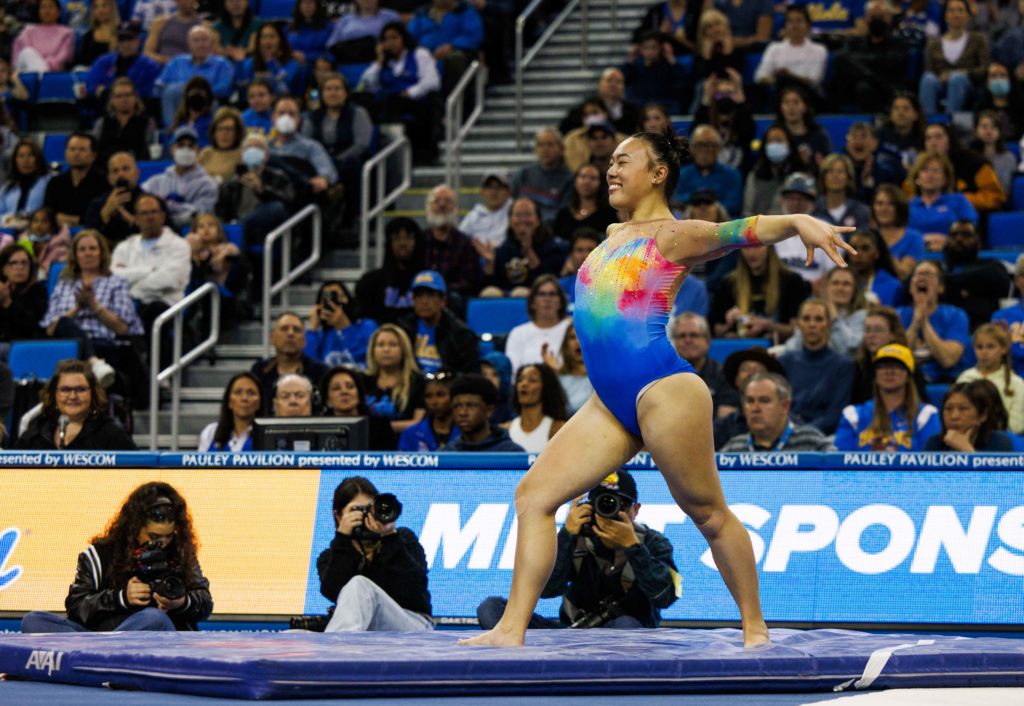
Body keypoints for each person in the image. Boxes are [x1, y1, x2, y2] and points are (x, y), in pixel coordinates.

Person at [459, 127, 855, 649]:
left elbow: (744, 229)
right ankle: (511, 628)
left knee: (709, 513)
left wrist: (799, 221)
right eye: (610, 163)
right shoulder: (610, 235)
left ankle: (756, 628)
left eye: (625, 161)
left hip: (663, 390)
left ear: (659, 173)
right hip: (610, 403)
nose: (612, 170)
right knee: (533, 496)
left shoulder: (671, 236)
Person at [478, 469, 679, 629]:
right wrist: (566, 535)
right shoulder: (575, 537)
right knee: (491, 608)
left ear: (636, 510)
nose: (611, 511)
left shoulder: (654, 542)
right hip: (572, 636)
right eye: (603, 503)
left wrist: (633, 547)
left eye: (622, 505)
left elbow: (667, 597)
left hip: (630, 639)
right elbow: (546, 590)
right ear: (589, 506)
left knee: (625, 627)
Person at [20, 482, 211, 632]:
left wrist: (181, 602)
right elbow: (76, 607)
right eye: (153, 537)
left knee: (155, 619)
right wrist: (120, 597)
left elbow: (205, 602)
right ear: (135, 528)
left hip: (154, 638)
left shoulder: (181, 552)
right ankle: (105, 658)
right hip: (102, 636)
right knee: (34, 621)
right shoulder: (100, 553)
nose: (162, 543)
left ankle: (92, 661)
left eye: (168, 536)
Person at [316, 476, 432, 632]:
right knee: (295, 634)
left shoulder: (404, 539)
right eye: (356, 510)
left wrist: (390, 538)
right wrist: (342, 539)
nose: (364, 517)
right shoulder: (332, 555)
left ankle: (336, 650)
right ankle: (341, 647)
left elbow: (414, 591)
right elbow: (333, 592)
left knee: (359, 584)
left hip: (411, 626)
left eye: (369, 510)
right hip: (363, 632)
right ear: (338, 515)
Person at [40, 230, 144, 393]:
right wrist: (78, 308)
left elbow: (123, 328)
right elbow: (50, 328)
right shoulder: (64, 284)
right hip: (67, 346)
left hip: (103, 344)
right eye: (82, 249)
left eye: (92, 248)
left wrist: (94, 306)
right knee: (64, 323)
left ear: (101, 253)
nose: (87, 253)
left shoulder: (115, 283)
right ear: (75, 255)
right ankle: (95, 363)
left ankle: (93, 362)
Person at [110, 193, 191, 345]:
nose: (149, 217)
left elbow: (169, 280)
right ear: (135, 218)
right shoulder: (124, 247)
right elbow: (114, 278)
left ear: (163, 216)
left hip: (167, 306)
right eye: (144, 213)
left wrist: (134, 289)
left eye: (154, 212)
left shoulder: (179, 245)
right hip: (127, 307)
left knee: (154, 309)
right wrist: (149, 270)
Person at [356, 21, 441, 164]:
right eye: (386, 39)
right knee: (364, 100)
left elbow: (432, 81)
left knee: (395, 103)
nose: (391, 42)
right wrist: (379, 61)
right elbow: (367, 83)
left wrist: (409, 92)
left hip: (416, 102)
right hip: (390, 102)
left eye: (394, 38)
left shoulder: (419, 54)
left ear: (403, 38)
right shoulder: (384, 63)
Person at [834, 343, 940, 451]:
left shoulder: (926, 415)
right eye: (882, 366)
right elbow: (839, 461)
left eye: (897, 366)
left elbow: (931, 460)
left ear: (908, 374)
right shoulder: (854, 415)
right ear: (875, 374)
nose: (889, 372)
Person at [15, 359, 135, 450]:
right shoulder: (36, 432)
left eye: (80, 389)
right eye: (65, 390)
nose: (72, 396)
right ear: (54, 394)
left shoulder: (111, 434)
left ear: (93, 393)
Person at [777, 298, 854, 434]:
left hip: (825, 438)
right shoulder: (785, 362)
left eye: (818, 319)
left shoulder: (844, 366)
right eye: (806, 319)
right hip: (787, 434)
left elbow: (835, 414)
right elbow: (779, 407)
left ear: (829, 325)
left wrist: (804, 433)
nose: (812, 324)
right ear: (799, 324)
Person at [709, 243, 809, 341]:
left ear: (769, 247)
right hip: (741, 350)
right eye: (746, 248)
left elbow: (797, 329)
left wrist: (766, 325)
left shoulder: (791, 281)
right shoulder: (729, 283)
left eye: (757, 247)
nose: (752, 253)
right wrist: (729, 324)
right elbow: (717, 331)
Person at [719, 372, 835, 452]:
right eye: (750, 401)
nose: (755, 408)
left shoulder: (811, 442)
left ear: (785, 406)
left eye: (764, 401)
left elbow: (841, 478)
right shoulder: (734, 448)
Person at [215, 131, 293, 247]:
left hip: (265, 230)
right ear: (242, 154)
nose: (253, 150)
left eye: (258, 147)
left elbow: (288, 201)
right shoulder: (231, 183)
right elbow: (221, 212)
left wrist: (262, 189)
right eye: (248, 148)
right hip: (237, 225)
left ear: (266, 155)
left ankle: (240, 229)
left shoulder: (278, 176)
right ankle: (238, 231)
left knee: (277, 207)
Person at [828, 0, 907, 113]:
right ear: (865, 19)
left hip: (886, 89)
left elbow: (891, 64)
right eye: (873, 17)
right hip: (854, 89)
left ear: (889, 19)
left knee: (863, 86)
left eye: (881, 17)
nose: (877, 20)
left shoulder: (898, 44)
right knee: (841, 63)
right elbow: (842, 61)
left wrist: (860, 63)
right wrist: (872, 66)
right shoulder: (853, 43)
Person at [898, 260, 970, 382]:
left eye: (928, 275)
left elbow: (948, 360)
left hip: (945, 380)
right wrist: (916, 323)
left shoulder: (956, 315)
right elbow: (897, 359)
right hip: (906, 380)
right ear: (910, 287)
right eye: (918, 274)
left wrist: (924, 321)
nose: (922, 278)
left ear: (941, 287)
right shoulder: (898, 315)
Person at [396, 269, 478, 374]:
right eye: (419, 295)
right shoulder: (404, 327)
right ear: (413, 300)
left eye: (430, 295)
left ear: (443, 300)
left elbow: (468, 374)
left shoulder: (461, 335)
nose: (424, 301)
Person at [155, 25, 235, 129]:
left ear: (211, 44)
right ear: (189, 44)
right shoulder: (176, 62)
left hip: (208, 104)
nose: (200, 44)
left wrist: (196, 92)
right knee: (171, 90)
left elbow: (226, 89)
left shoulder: (223, 64)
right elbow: (159, 85)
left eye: (204, 40)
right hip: (179, 105)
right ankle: (172, 131)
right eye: (196, 41)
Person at [483, 199, 568, 296]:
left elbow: (549, 283)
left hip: (538, 299)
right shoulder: (503, 249)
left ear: (538, 220)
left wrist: (529, 252)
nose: (523, 219)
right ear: (510, 221)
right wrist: (490, 264)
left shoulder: (552, 248)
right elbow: (490, 285)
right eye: (518, 215)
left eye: (528, 215)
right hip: (506, 300)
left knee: (520, 293)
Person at [918, 0, 990, 114]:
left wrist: (962, 73)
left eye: (960, 10)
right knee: (928, 78)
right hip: (940, 85)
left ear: (967, 15)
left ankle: (950, 122)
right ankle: (929, 121)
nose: (955, 14)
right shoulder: (933, 44)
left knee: (957, 79)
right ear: (945, 15)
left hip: (968, 87)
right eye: (951, 10)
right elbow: (929, 70)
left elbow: (985, 68)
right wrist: (942, 77)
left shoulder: (978, 39)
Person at [142, 125, 219, 231]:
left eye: (190, 146)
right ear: (172, 149)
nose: (185, 150)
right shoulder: (157, 181)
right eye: (181, 145)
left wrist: (168, 206)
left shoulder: (207, 184)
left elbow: (201, 215)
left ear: (198, 150)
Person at [920, 122, 1006, 216]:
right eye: (928, 138)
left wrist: (958, 201)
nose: (933, 143)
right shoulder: (919, 166)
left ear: (950, 140)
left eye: (939, 137)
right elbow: (909, 197)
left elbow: (996, 198)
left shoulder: (975, 162)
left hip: (971, 219)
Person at [250, 312, 329, 413]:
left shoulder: (320, 371)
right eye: (284, 329)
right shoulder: (259, 370)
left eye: (296, 330)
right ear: (272, 338)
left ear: (304, 340)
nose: (290, 334)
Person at [781, 267, 867, 358]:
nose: (840, 288)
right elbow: (795, 343)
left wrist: (832, 311)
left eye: (846, 284)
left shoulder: (862, 316)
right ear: (827, 287)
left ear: (855, 289)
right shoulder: (814, 312)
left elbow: (848, 349)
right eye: (835, 283)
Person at [850, 305, 928, 404]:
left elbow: (920, 405)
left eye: (878, 330)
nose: (871, 335)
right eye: (867, 330)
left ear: (893, 334)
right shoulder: (858, 367)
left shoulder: (908, 366)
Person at [942, 220, 1011, 330]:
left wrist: (948, 281)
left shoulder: (991, 265)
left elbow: (1002, 283)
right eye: (954, 235)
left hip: (982, 330)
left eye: (966, 235)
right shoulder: (940, 268)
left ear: (978, 241)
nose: (959, 239)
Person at [713, 346, 787, 448]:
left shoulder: (794, 426)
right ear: (736, 380)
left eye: (759, 369)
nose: (751, 373)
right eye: (745, 369)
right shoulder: (721, 428)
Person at [355, 217, 424, 325]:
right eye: (396, 238)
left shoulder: (427, 281)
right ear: (389, 243)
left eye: (408, 237)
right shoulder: (370, 282)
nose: (402, 243)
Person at [957, 324, 1024, 434]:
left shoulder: (1017, 384)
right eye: (979, 347)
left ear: (1004, 349)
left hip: (1003, 442)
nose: (984, 352)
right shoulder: (965, 378)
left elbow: (1017, 425)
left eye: (990, 346)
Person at [670, 312, 738, 418]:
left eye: (694, 335)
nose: (688, 340)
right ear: (675, 342)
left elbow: (726, 423)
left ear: (708, 341)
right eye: (682, 336)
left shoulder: (725, 375)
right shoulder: (663, 376)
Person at [502, 275, 572, 375]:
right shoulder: (518, 333)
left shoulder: (571, 330)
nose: (547, 299)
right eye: (542, 294)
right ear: (532, 303)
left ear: (561, 302)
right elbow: (514, 372)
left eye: (552, 294)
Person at [420, 184, 481, 300]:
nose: (442, 205)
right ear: (428, 208)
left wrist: (439, 291)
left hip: (451, 300)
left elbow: (469, 283)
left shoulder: (466, 244)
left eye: (448, 201)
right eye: (436, 201)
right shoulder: (419, 241)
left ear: (456, 209)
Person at [753, 4, 828, 97]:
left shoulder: (819, 50)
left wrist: (788, 76)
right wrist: (777, 79)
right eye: (790, 21)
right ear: (785, 26)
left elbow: (813, 81)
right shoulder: (774, 48)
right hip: (780, 93)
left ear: (808, 25)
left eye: (799, 21)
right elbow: (759, 77)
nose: (794, 25)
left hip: (808, 95)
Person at [364, 323, 426, 434]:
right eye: (380, 345)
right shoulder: (363, 380)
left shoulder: (418, 382)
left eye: (393, 345)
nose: (386, 350)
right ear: (372, 350)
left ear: (404, 350)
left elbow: (419, 423)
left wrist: (381, 428)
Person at [906, 152, 978, 247]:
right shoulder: (907, 206)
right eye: (924, 170)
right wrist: (923, 239)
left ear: (945, 179)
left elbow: (970, 231)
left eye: (935, 171)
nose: (930, 175)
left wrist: (948, 241)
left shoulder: (959, 201)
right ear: (917, 178)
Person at [319, 365, 398, 450]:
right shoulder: (320, 428)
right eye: (336, 388)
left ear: (359, 395)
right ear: (328, 401)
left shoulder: (380, 426)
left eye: (350, 386)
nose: (344, 392)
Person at [85, 21, 162, 105]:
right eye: (121, 40)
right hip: (103, 109)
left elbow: (151, 92)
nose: (125, 44)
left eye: (129, 39)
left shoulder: (150, 66)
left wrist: (111, 93)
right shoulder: (103, 61)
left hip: (139, 111)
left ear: (138, 41)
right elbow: (91, 86)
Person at [924, 380, 1015, 451]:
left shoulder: (999, 443)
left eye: (963, 409)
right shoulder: (934, 444)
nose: (954, 416)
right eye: (948, 409)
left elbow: (996, 475)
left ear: (982, 415)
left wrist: (966, 450)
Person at [304, 280, 377, 369]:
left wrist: (345, 327)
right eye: (326, 298)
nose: (332, 302)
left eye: (338, 296)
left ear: (348, 298)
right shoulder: (319, 335)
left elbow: (364, 356)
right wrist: (312, 329)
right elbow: (308, 363)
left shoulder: (367, 326)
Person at [673, 125, 742, 217]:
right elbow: (677, 201)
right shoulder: (681, 174)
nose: (704, 150)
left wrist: (701, 202)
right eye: (700, 144)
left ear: (718, 149)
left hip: (723, 225)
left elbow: (733, 205)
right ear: (692, 149)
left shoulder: (732, 175)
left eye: (710, 145)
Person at [43, 133, 108, 228]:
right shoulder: (55, 182)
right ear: (65, 153)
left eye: (82, 150)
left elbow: (100, 217)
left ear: (94, 155)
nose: (76, 153)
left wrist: (76, 220)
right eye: (72, 149)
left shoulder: (104, 182)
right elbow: (48, 213)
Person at [448, 373, 525, 451]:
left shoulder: (512, 453)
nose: (462, 413)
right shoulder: (445, 454)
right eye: (457, 406)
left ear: (489, 410)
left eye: (470, 405)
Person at [511, 128, 573, 226]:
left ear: (561, 149)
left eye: (550, 145)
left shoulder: (569, 179)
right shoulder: (523, 174)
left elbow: (563, 215)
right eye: (541, 145)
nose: (545, 149)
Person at [503, 362, 567, 453]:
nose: (524, 384)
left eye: (532, 380)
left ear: (546, 388)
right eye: (520, 380)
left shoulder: (559, 429)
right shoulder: (505, 430)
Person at [92, 77, 155, 167]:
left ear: (135, 97)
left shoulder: (147, 122)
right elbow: (93, 149)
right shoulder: (102, 123)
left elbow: (149, 150)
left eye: (128, 95)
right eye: (119, 96)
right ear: (112, 100)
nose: (124, 99)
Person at [560, 68, 639, 138]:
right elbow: (565, 129)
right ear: (600, 84)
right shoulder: (585, 108)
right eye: (609, 80)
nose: (613, 84)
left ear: (623, 86)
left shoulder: (633, 112)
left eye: (618, 81)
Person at [743, 124, 801, 217]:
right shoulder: (755, 174)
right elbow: (748, 210)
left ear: (789, 146)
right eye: (770, 141)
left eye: (779, 140)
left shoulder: (799, 175)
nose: (775, 144)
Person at [622, 30, 686, 114]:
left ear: (660, 49)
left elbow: (682, 82)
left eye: (654, 48)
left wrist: (670, 57)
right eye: (646, 48)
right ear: (640, 49)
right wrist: (630, 59)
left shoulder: (667, 66)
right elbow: (623, 80)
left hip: (664, 104)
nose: (650, 52)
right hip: (640, 104)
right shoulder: (634, 67)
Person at [197, 371, 261, 451]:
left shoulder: (267, 436)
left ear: (259, 402)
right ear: (229, 401)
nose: (244, 398)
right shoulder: (210, 432)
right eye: (238, 392)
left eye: (251, 393)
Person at [551, 164, 616, 243]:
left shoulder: (609, 215)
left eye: (593, 178)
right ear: (575, 181)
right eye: (583, 177)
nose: (587, 182)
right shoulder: (563, 214)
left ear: (601, 183)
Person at [237, 21, 304, 97]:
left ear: (281, 40)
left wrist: (271, 62)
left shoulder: (291, 63)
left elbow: (284, 88)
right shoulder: (250, 63)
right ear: (258, 42)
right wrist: (239, 64)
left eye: (272, 36)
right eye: (264, 37)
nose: (267, 41)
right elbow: (242, 88)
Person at [398, 369, 460, 451]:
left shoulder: (465, 432)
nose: (434, 402)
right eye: (428, 396)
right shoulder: (411, 433)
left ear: (454, 397)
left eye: (440, 395)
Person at [871, 183, 923, 280]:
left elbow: (904, 274)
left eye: (890, 204)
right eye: (879, 203)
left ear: (900, 207)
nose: (884, 209)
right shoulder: (869, 236)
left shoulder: (914, 238)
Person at [844, 122, 906, 204]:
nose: (858, 141)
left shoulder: (887, 170)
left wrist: (868, 181)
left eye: (864, 136)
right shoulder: (841, 169)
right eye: (854, 136)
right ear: (847, 144)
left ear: (875, 143)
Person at [774, 85, 832, 172]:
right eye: (786, 102)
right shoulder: (774, 135)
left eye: (796, 102)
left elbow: (827, 168)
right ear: (780, 107)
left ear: (805, 107)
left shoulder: (819, 136)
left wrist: (810, 163)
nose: (791, 107)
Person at [0, 243, 47, 343]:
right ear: (4, 269)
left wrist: (7, 303)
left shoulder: (38, 290)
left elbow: (30, 326)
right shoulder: (2, 290)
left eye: (24, 263)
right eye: (13, 263)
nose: (20, 267)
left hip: (24, 344)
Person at [812, 154, 871, 232]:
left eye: (840, 171)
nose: (835, 176)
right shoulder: (813, 209)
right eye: (830, 171)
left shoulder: (861, 211)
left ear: (848, 178)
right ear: (823, 177)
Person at [0, 139, 51, 229]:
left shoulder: (49, 182)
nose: (26, 160)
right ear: (15, 160)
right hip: (9, 231)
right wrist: (6, 219)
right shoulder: (7, 187)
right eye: (21, 156)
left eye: (30, 155)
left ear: (38, 158)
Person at [327, 0, 400, 63]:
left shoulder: (390, 17)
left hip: (380, 61)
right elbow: (331, 45)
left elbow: (400, 41)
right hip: (348, 63)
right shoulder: (345, 20)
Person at [11, 0, 74, 73]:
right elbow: (20, 58)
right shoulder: (28, 31)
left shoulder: (67, 33)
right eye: (43, 7)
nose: (46, 11)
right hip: (28, 70)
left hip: (53, 72)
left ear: (58, 12)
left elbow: (62, 58)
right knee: (27, 52)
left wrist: (44, 64)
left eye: (50, 7)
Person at [546, 322, 593, 416]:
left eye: (581, 337)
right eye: (572, 338)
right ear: (566, 345)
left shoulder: (601, 378)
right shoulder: (558, 378)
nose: (577, 342)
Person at [847, 230, 902, 307]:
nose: (857, 254)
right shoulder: (839, 282)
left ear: (877, 253)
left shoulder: (892, 286)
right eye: (853, 248)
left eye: (865, 248)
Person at [459, 171, 512, 247]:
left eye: (499, 187)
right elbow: (459, 240)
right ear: (482, 192)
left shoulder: (515, 213)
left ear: (508, 192)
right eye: (489, 187)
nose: (494, 192)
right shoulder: (473, 217)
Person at [876, 92, 926, 172]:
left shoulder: (924, 138)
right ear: (891, 114)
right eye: (896, 108)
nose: (900, 113)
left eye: (906, 108)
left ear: (916, 115)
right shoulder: (879, 135)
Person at [972, 110, 1017, 197]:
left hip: (1000, 202)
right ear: (976, 130)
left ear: (1000, 131)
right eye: (984, 127)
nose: (989, 131)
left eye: (994, 127)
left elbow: (1008, 189)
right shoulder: (969, 157)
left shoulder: (1009, 158)